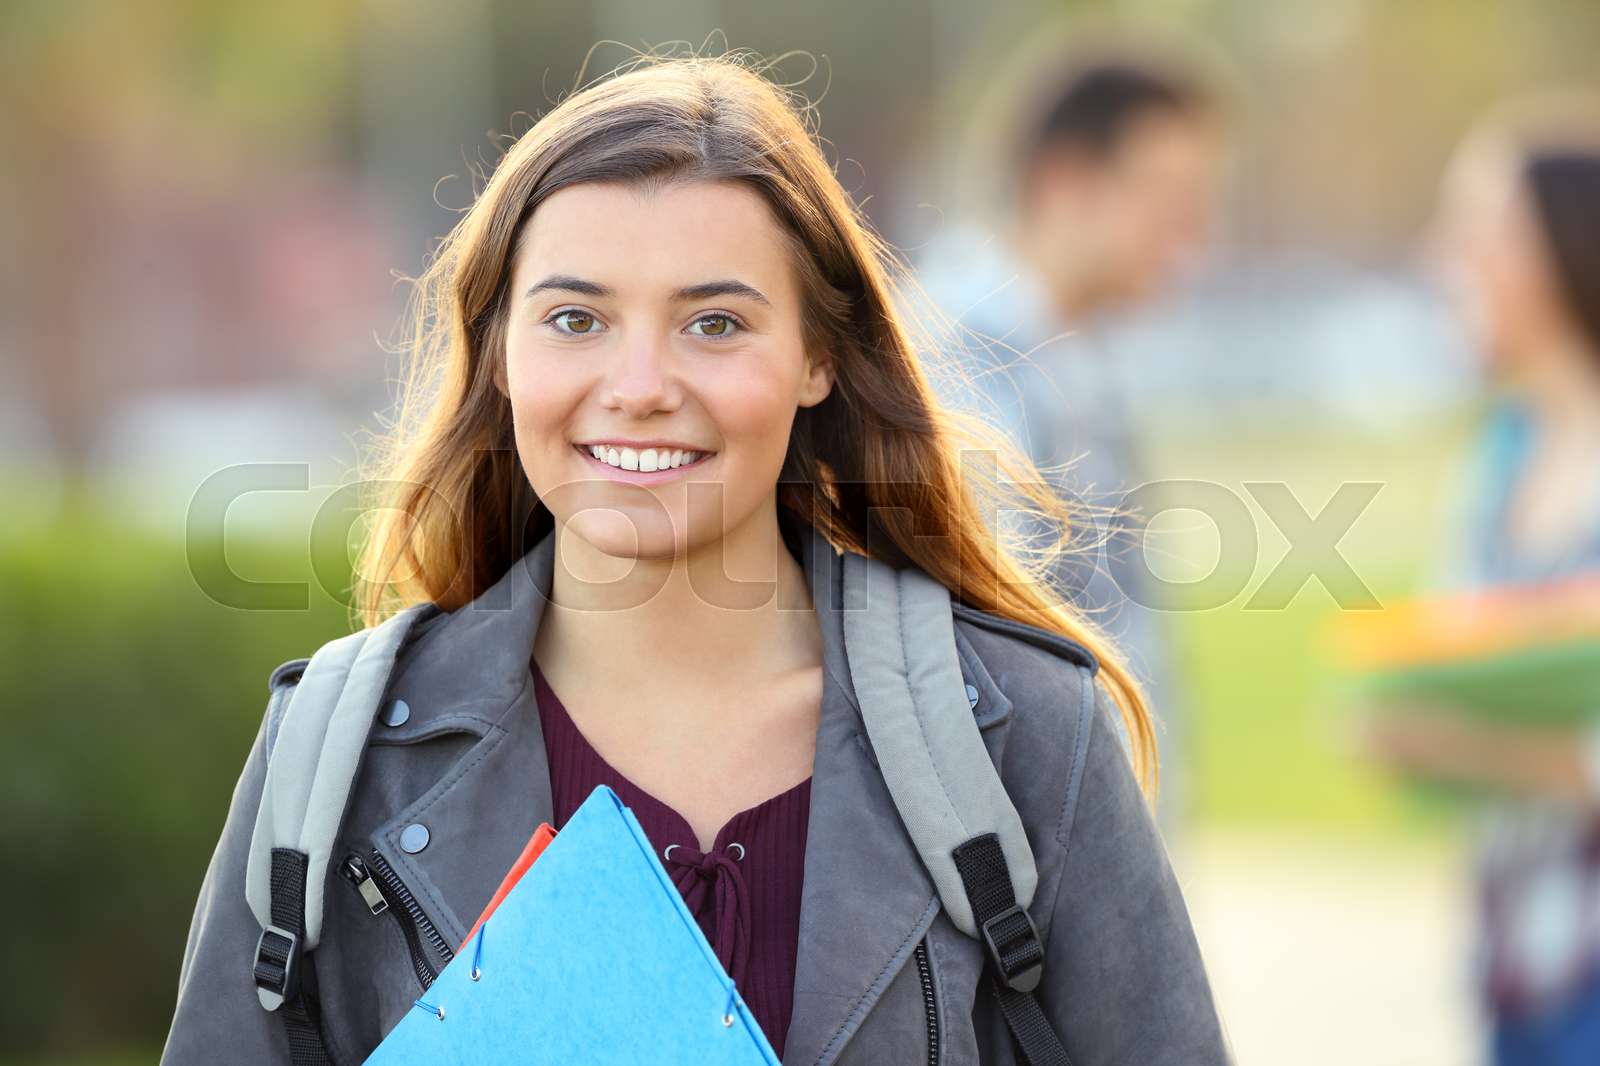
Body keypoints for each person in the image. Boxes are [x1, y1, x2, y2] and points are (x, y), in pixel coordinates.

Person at [159, 53, 1230, 1065]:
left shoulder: (1029, 738)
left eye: (713, 324)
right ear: (499, 354)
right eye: (575, 318)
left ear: (818, 355)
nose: (638, 383)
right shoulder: (336, 757)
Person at [914, 44, 1227, 828]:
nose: (1190, 232)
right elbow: (983, 672)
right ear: (1063, 181)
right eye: (1166, 196)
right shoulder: (957, 369)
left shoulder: (1077, 355)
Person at [1359, 95, 1600, 1065]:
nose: (1441, 258)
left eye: (1475, 230)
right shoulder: (1497, 455)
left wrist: (1470, 745)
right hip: (1516, 969)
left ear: (1555, 251)